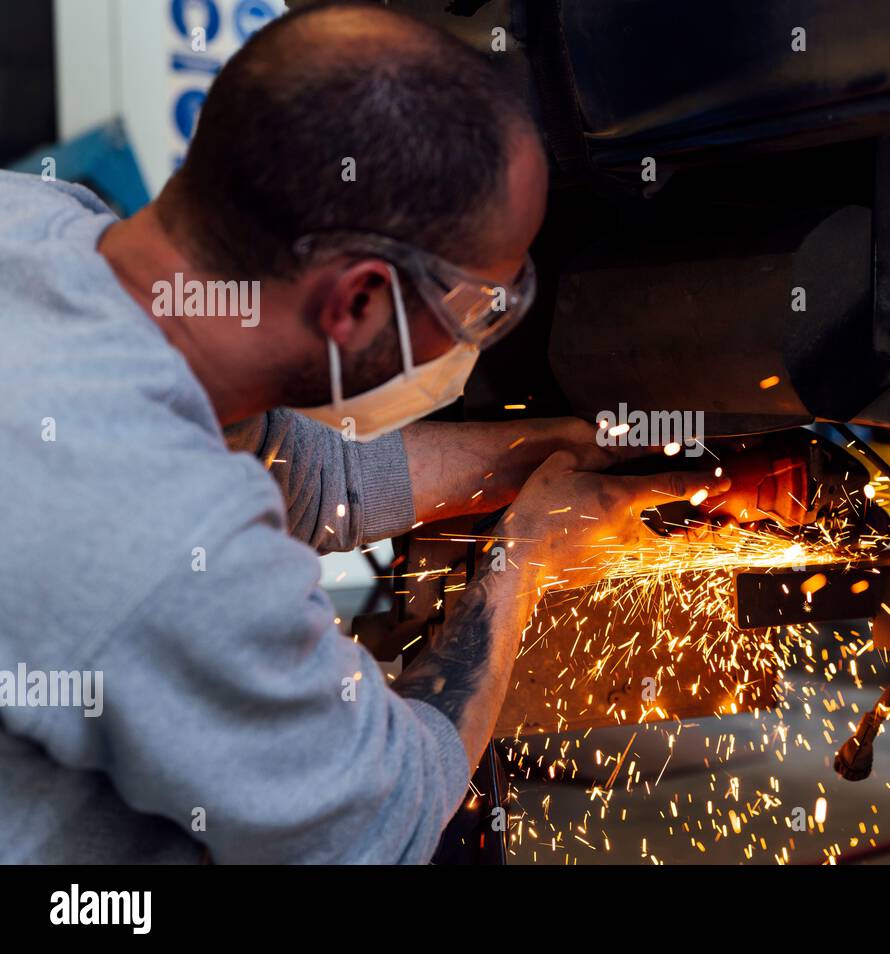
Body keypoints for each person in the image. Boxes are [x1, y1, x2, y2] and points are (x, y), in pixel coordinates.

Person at [0, 1, 720, 863]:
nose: (477, 332)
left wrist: (539, 449)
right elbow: (386, 817)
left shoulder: (38, 224)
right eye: (482, 304)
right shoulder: (164, 541)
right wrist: (525, 559)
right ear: (358, 302)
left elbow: (299, 473)